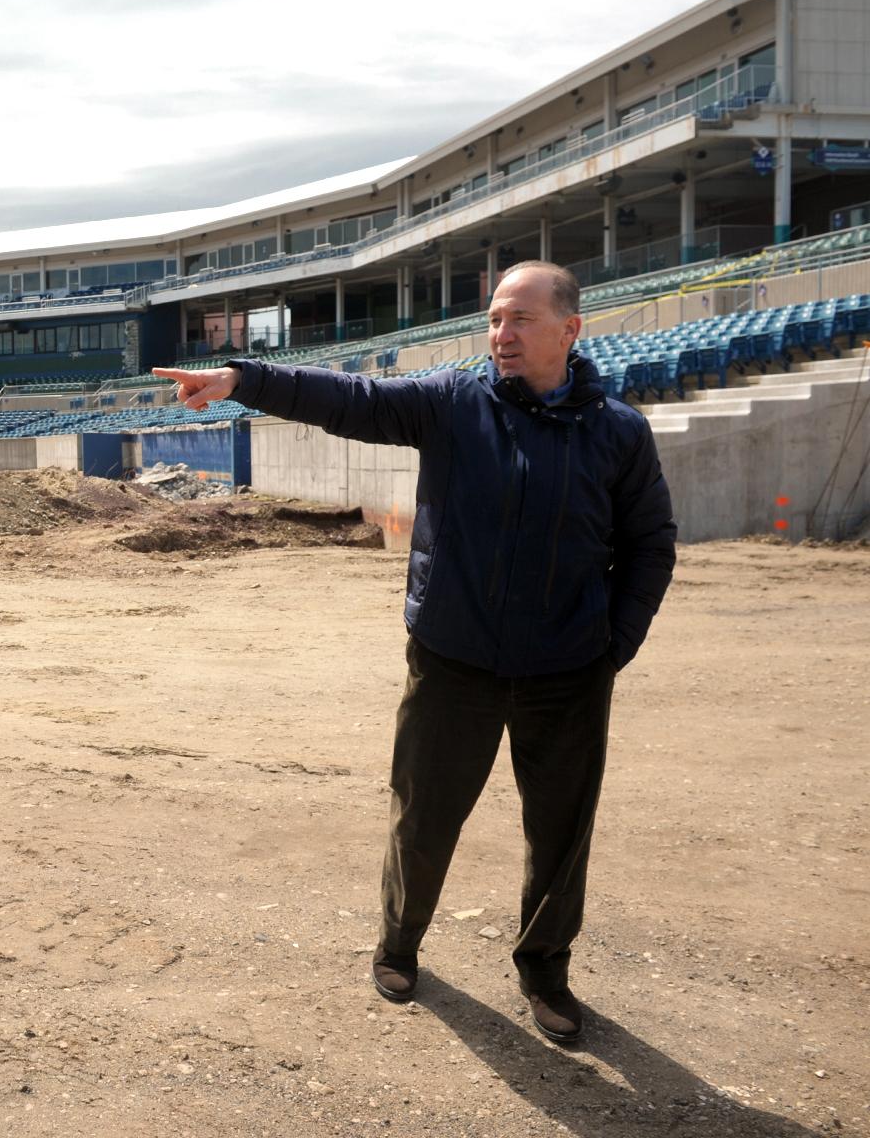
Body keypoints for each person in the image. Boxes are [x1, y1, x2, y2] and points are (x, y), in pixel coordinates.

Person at [152, 261, 676, 1044]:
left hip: (567, 673)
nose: (501, 334)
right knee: (423, 818)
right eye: (494, 319)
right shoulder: (451, 405)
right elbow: (351, 399)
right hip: (453, 662)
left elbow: (650, 545)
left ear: (569, 330)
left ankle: (545, 970)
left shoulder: (619, 433)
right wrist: (243, 379)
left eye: (521, 319)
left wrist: (611, 647)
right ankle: (399, 944)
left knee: (561, 836)